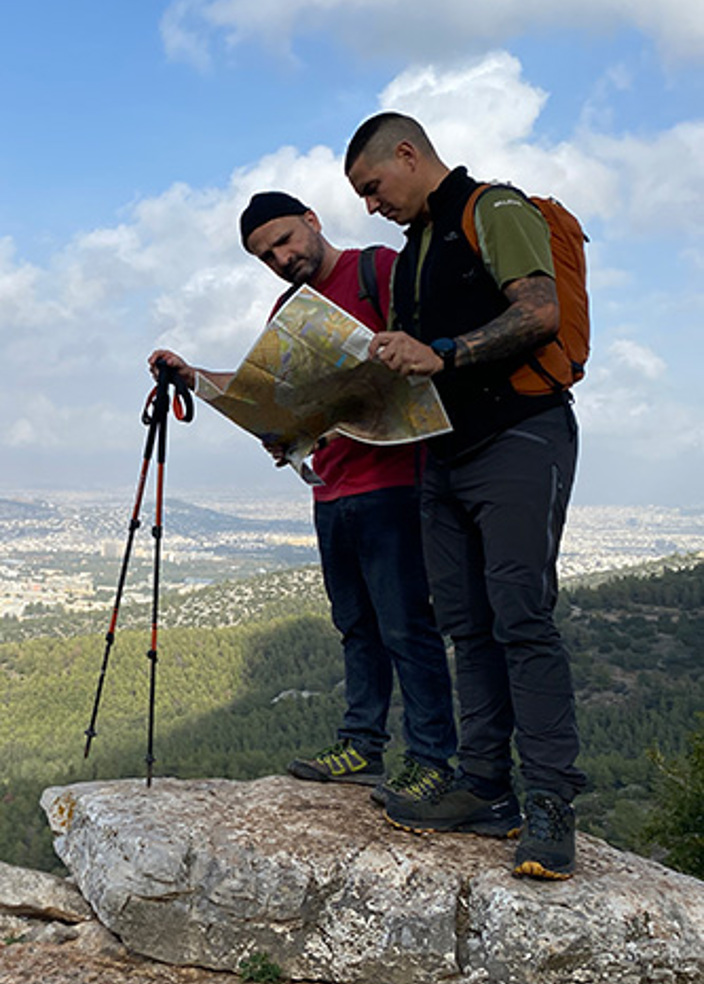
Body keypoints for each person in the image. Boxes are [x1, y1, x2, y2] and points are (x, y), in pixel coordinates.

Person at [149, 191, 457, 806]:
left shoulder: (378, 270)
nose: (280, 259)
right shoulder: (289, 308)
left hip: (397, 478)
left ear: (313, 221)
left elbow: (432, 352)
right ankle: (362, 746)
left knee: (406, 626)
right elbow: (265, 391)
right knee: (356, 626)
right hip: (330, 484)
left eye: (285, 241)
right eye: (266, 256)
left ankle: (432, 761)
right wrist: (194, 378)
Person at [344, 112, 587, 879]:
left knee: (521, 617)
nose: (371, 206)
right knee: (467, 625)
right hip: (442, 455)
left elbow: (540, 311)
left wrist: (443, 353)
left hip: (519, 434)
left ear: (407, 153)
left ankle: (549, 802)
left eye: (373, 187)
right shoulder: (415, 250)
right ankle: (485, 787)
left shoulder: (493, 209)